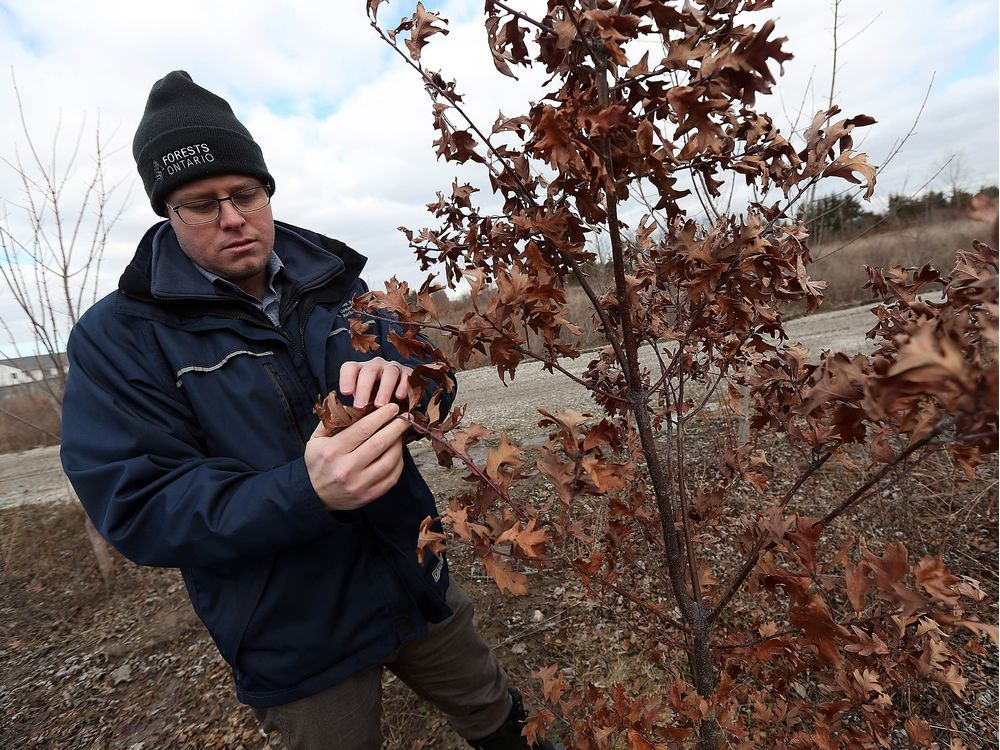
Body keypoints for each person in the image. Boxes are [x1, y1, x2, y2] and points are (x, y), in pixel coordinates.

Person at [60, 70, 561, 750]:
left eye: (245, 192)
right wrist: (306, 491)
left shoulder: (332, 280)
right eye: (202, 204)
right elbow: (139, 505)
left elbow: (430, 379)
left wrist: (411, 384)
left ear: (266, 190)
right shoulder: (119, 337)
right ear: (167, 214)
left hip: (414, 577)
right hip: (291, 633)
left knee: (501, 719)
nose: (233, 217)